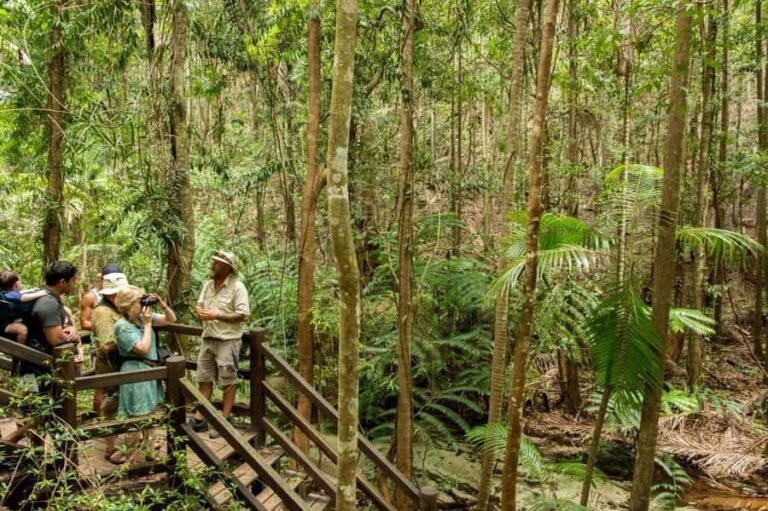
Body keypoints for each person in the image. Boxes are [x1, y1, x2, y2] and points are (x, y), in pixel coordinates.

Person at [188, 250, 250, 438]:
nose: (212, 265)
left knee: (227, 381)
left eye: (217, 263)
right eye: (213, 261)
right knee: (204, 378)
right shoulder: (208, 285)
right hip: (208, 337)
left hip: (227, 340)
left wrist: (216, 315)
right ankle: (201, 418)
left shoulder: (237, 288)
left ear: (227, 268)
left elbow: (243, 315)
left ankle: (224, 419)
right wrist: (200, 312)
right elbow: (199, 305)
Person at [112, 286, 176, 463]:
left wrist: (162, 305)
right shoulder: (122, 326)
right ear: (130, 304)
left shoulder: (141, 318)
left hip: (149, 371)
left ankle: (150, 451)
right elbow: (142, 348)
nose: (143, 304)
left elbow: (170, 320)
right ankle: (127, 453)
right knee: (136, 415)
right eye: (140, 301)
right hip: (135, 371)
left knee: (149, 412)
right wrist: (148, 325)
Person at [90, 272, 129, 463]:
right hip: (109, 365)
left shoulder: (117, 307)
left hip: (121, 364)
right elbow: (105, 345)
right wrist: (131, 336)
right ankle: (111, 447)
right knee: (109, 405)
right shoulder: (103, 312)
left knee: (125, 402)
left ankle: (134, 440)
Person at [22, 261, 82, 385]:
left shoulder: (53, 298)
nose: (75, 283)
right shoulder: (48, 302)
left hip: (42, 364)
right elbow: (56, 338)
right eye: (73, 280)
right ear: (62, 282)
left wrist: (71, 329)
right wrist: (71, 337)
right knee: (34, 401)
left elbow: (64, 324)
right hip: (36, 365)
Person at [0, 270, 48, 344]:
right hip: (4, 325)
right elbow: (22, 298)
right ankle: (20, 351)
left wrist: (32, 290)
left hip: (8, 321)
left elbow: (21, 293)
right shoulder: (10, 294)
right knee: (23, 330)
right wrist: (41, 293)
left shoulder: (6, 293)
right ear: (16, 284)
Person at [80, 263, 122, 331]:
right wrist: (107, 326)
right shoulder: (90, 297)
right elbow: (84, 323)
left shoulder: (121, 293)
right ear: (102, 279)